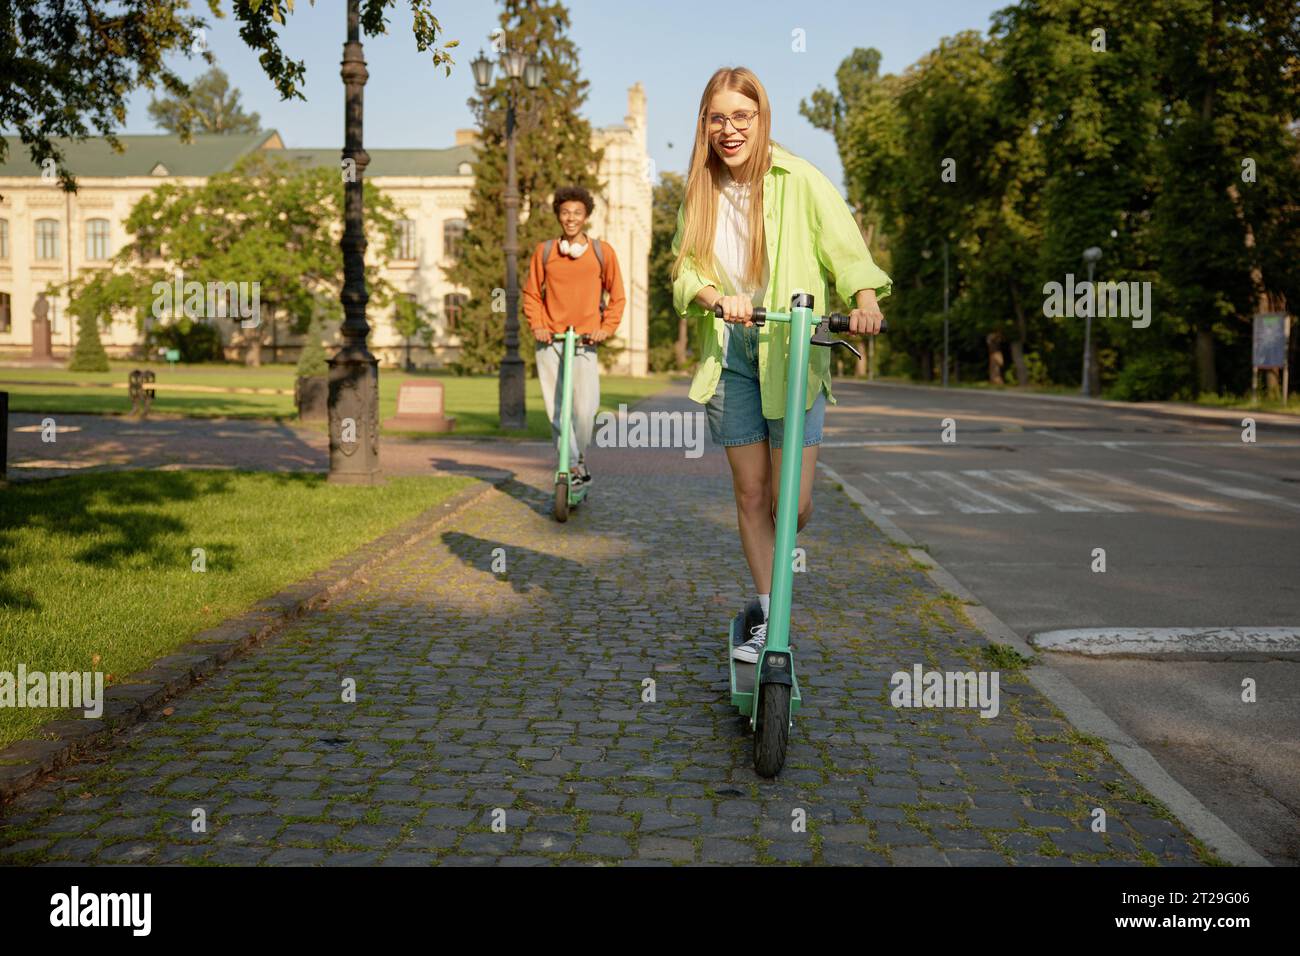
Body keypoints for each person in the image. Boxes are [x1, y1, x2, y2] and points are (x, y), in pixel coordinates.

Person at [671, 67, 890, 663]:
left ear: (761, 118)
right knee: (750, 494)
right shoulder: (700, 191)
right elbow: (685, 271)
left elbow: (845, 248)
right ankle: (772, 620)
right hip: (731, 350)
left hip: (793, 349)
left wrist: (865, 302)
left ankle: (774, 594)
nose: (730, 129)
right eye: (718, 118)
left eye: (742, 116)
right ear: (705, 124)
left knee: (789, 506)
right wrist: (718, 298)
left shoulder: (800, 178)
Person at [523, 185, 626, 486]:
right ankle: (570, 467)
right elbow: (531, 294)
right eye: (565, 212)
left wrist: (605, 328)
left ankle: (578, 459)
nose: (571, 218)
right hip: (550, 341)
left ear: (586, 216)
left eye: (577, 213)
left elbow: (617, 296)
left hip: (584, 341)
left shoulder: (602, 252)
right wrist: (538, 325)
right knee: (558, 409)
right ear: (558, 215)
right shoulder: (545, 252)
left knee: (585, 409)